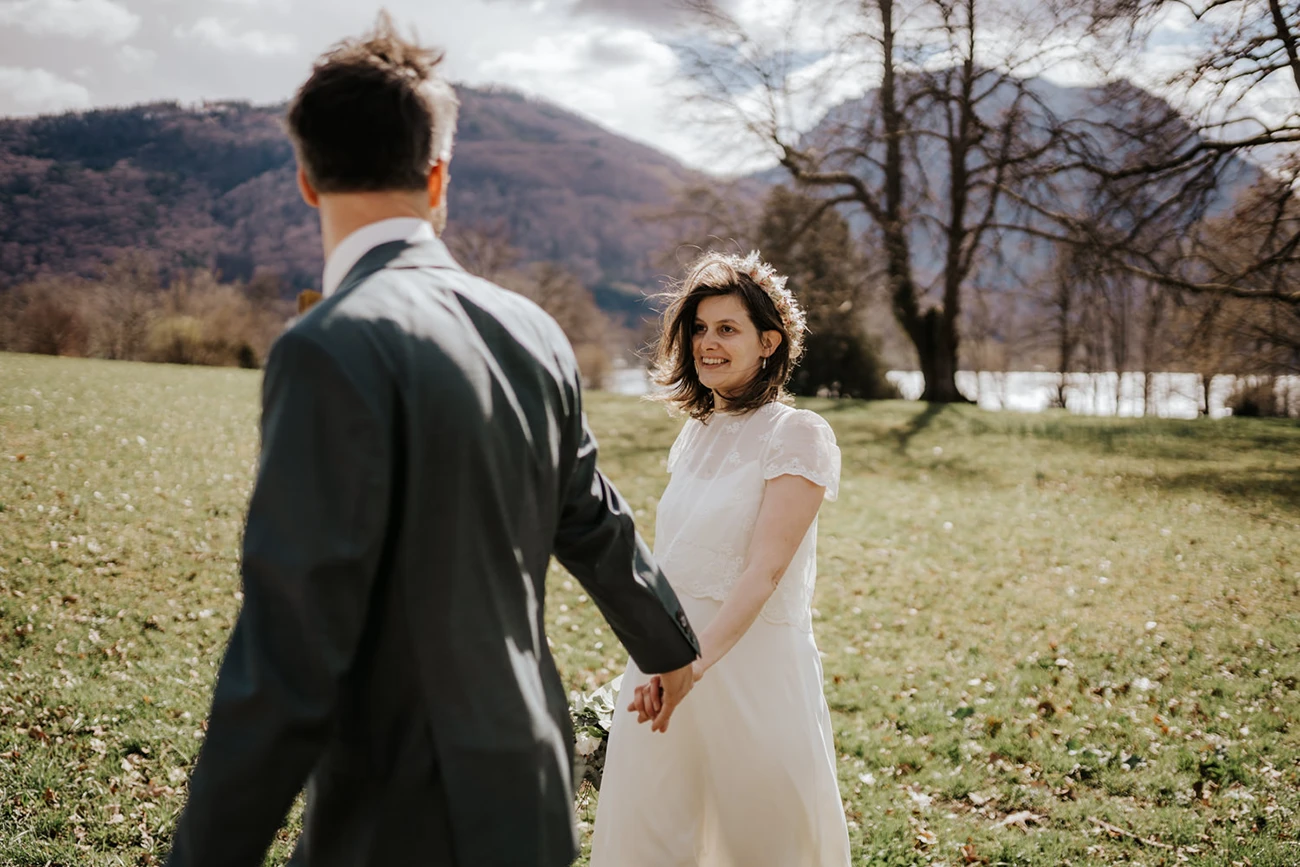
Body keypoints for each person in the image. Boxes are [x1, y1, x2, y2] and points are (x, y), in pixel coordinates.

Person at [164, 14, 699, 867]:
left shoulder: (325, 347)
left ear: (306, 179)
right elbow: (597, 524)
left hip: (397, 816)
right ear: (438, 176)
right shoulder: (535, 331)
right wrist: (672, 646)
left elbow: (290, 648)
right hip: (532, 786)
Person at [589, 251, 852, 866]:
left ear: (769, 341)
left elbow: (765, 570)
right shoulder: (699, 431)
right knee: (658, 825)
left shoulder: (798, 434)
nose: (707, 343)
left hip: (749, 667)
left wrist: (695, 666)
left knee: (759, 835)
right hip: (667, 659)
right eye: (700, 329)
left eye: (727, 329)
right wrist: (658, 656)